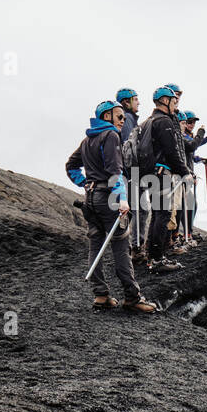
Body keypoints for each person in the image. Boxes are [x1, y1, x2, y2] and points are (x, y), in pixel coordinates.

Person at [65, 101, 156, 313]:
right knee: (121, 247)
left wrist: (85, 183)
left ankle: (101, 295)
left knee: (95, 244)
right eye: (119, 116)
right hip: (109, 198)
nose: (123, 121)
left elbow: (70, 165)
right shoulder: (111, 136)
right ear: (107, 116)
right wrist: (122, 198)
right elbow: (115, 171)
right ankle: (132, 298)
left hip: (90, 199)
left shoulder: (88, 140)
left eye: (124, 117)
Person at [142, 86, 192, 273]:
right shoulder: (164, 122)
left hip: (151, 172)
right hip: (163, 173)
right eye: (173, 100)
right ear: (165, 101)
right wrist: (184, 171)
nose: (175, 104)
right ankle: (157, 259)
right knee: (162, 215)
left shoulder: (148, 121)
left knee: (157, 215)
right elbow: (171, 151)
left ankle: (152, 255)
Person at [181, 111, 207, 242]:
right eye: (189, 122)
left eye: (194, 122)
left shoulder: (188, 137)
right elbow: (194, 144)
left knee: (191, 204)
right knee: (188, 204)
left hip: (187, 174)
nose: (192, 124)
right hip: (183, 175)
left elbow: (192, 154)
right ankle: (185, 233)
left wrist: (200, 159)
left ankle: (187, 232)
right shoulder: (182, 137)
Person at [115, 87, 142, 252]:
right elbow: (127, 147)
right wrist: (132, 171)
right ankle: (132, 247)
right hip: (130, 172)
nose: (139, 102)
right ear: (126, 102)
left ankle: (130, 246)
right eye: (136, 99)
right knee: (134, 208)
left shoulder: (130, 119)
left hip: (128, 172)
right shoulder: (128, 119)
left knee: (135, 208)